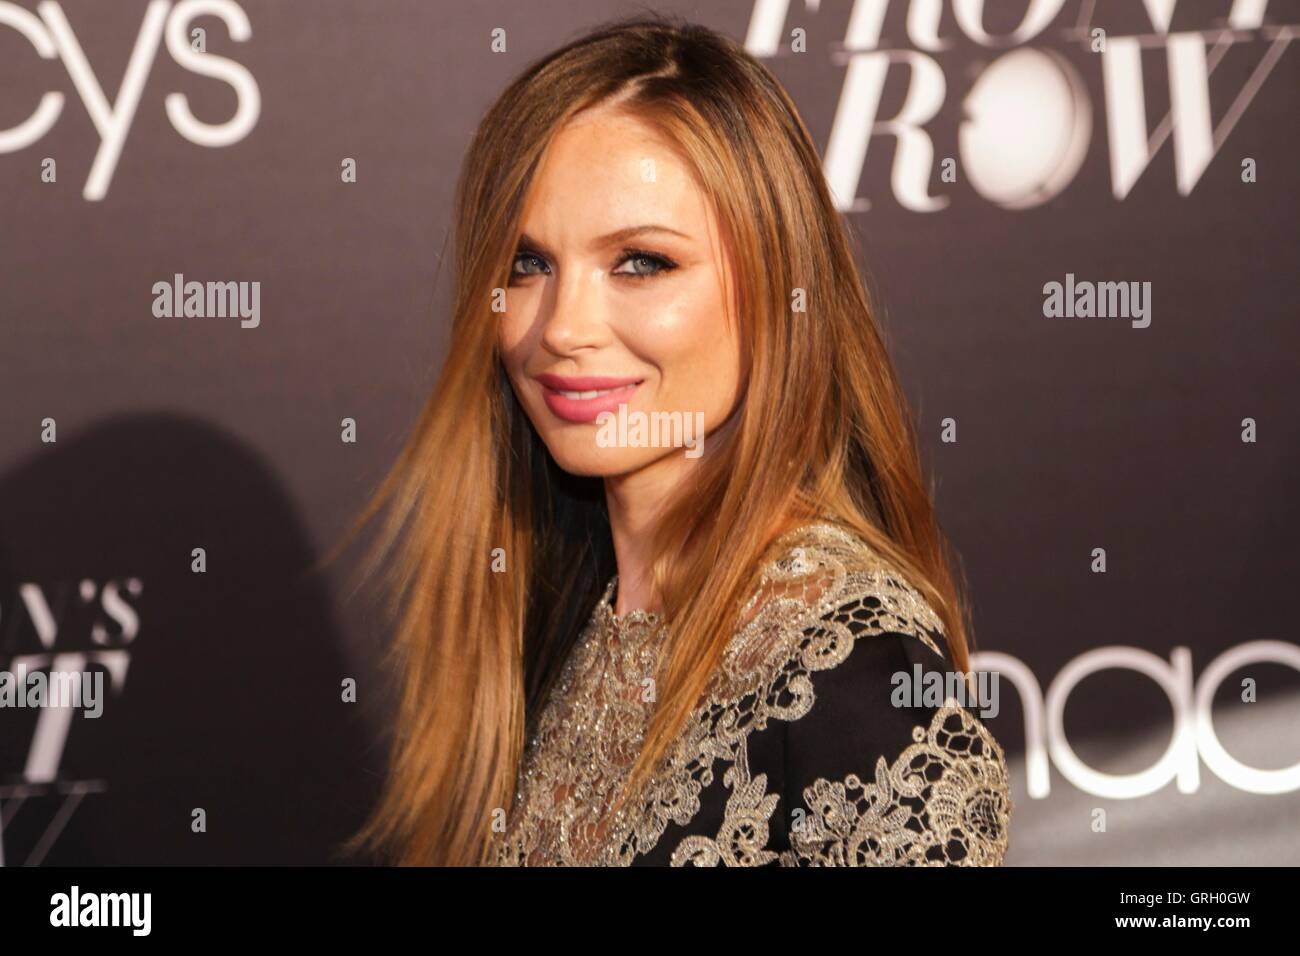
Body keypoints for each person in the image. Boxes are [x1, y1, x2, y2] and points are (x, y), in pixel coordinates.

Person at [347, 15, 1011, 866]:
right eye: (528, 264)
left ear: (778, 286)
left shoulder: (848, 664)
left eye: (642, 262)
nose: (563, 329)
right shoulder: (553, 615)